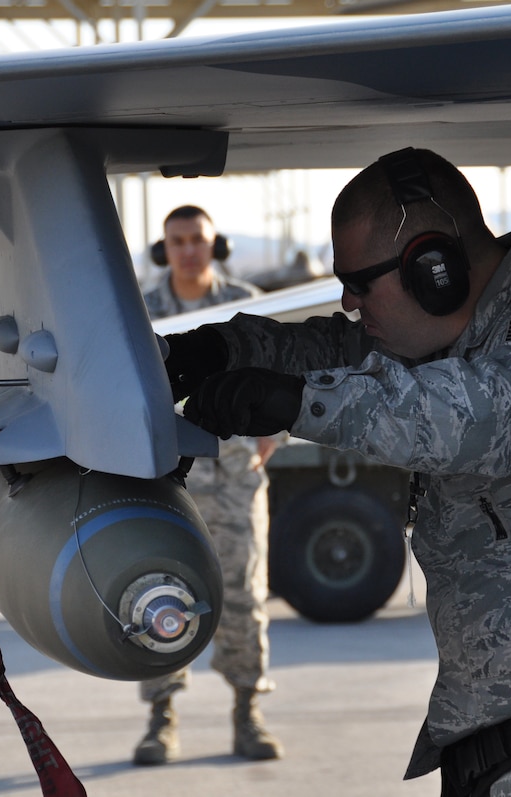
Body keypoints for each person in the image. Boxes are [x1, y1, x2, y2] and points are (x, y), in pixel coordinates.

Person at [160, 149, 511, 796]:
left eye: (360, 283)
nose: (349, 302)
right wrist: (214, 351)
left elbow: (488, 415)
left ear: (433, 269)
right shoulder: (446, 333)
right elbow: (329, 347)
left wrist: (296, 402)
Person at [135, 204, 284, 766]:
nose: (189, 250)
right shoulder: (138, 312)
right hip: (163, 483)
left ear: (215, 245)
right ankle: (161, 716)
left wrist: (278, 429)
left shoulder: (246, 304)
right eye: (177, 241)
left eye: (197, 239)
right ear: (164, 250)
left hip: (236, 479)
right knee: (155, 591)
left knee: (244, 593)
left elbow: (283, 372)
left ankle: (248, 711)